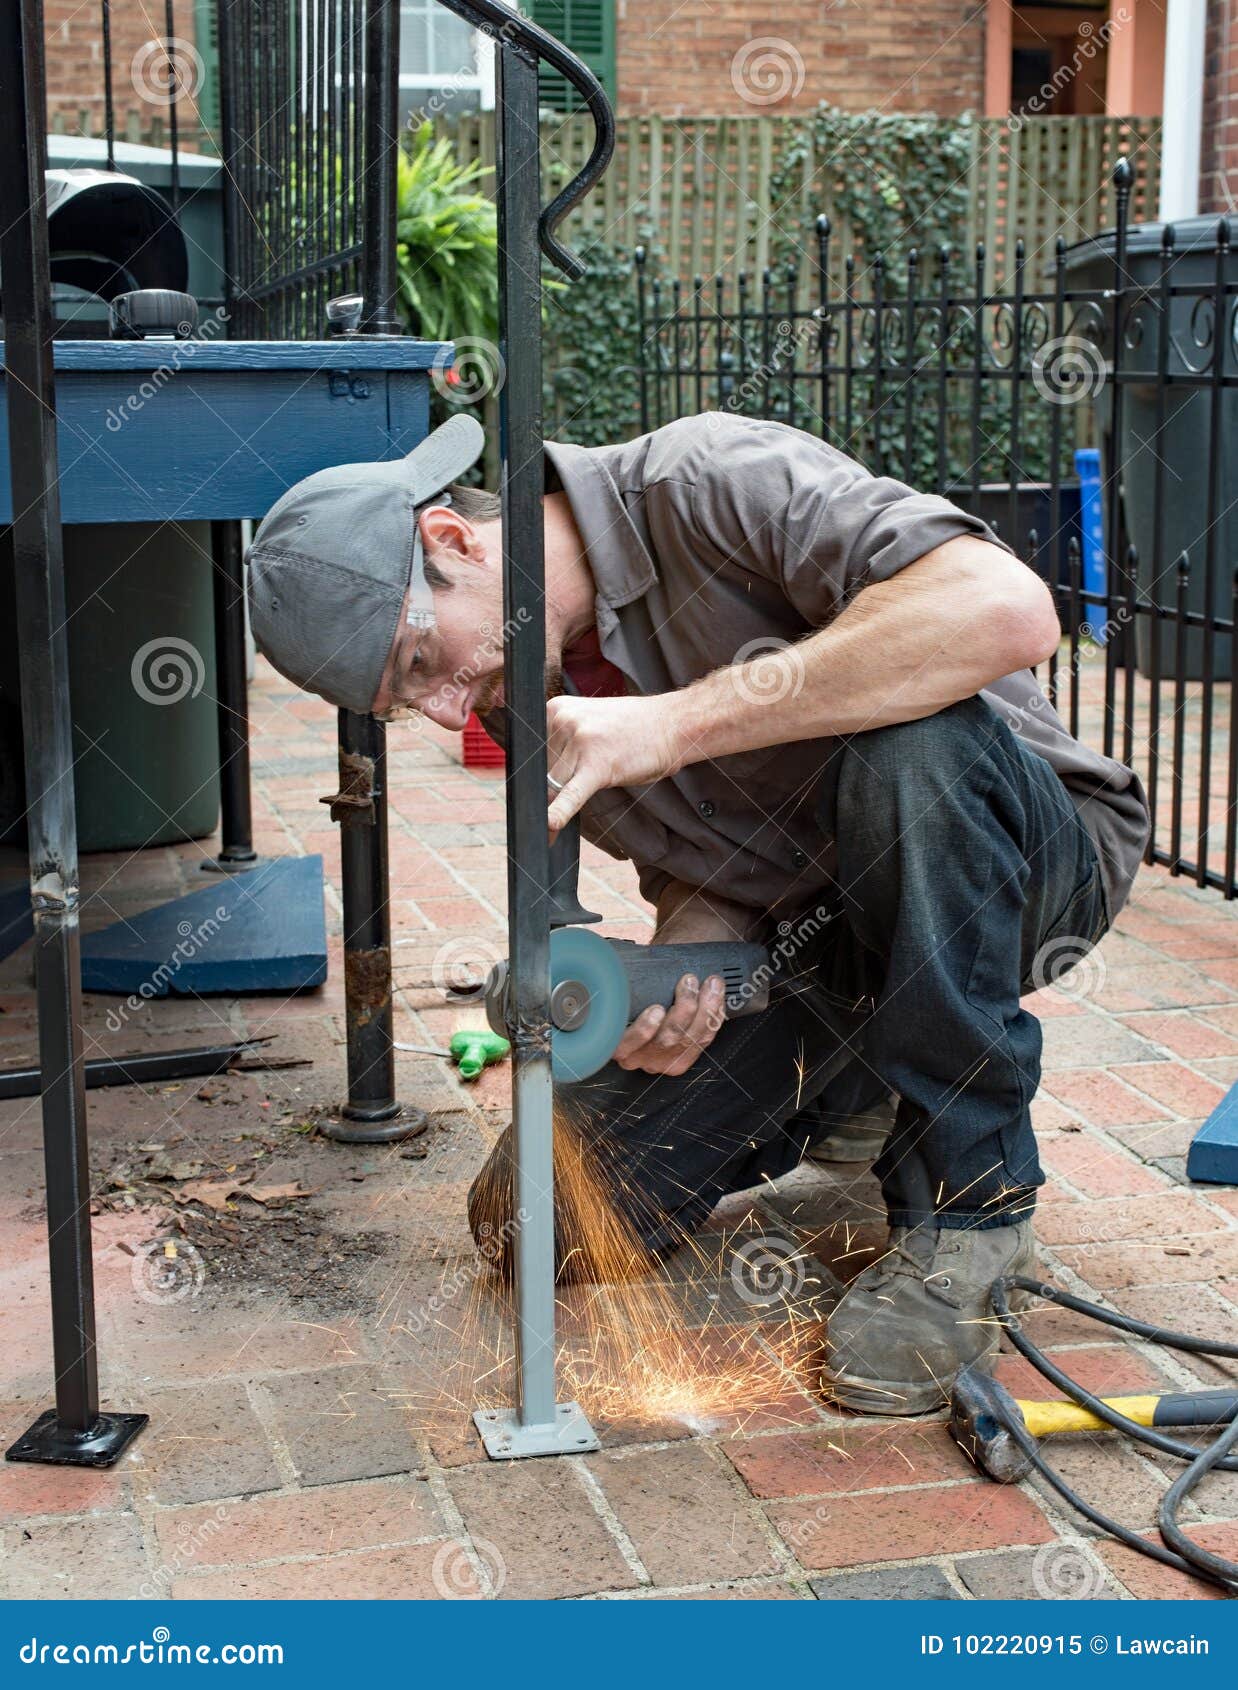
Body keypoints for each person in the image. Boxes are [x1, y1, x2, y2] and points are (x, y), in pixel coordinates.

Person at [247, 410, 1148, 1414]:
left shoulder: (705, 479)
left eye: (421, 664)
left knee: (904, 745)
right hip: (813, 930)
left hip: (1012, 855)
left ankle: (972, 1206)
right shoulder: (519, 681)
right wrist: (683, 969)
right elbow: (702, 864)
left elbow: (1005, 609)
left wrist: (671, 724)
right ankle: (857, 1077)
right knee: (530, 1222)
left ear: (449, 541)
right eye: (405, 702)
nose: (451, 713)